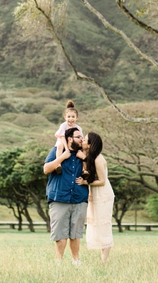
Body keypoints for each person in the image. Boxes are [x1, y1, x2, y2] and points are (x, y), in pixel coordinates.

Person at [44, 127, 89, 265]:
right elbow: (46, 169)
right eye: (78, 137)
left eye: (81, 137)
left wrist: (85, 158)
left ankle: (76, 261)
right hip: (59, 198)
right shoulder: (57, 151)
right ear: (69, 139)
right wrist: (63, 157)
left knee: (76, 233)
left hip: (79, 198)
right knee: (60, 234)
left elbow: (94, 175)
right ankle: (59, 262)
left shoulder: (84, 155)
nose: (81, 139)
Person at [75, 132, 114, 263]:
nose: (82, 141)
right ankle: (102, 257)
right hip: (95, 193)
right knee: (96, 222)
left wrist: (85, 183)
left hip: (103, 194)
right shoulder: (90, 157)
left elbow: (102, 181)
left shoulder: (98, 159)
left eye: (85, 140)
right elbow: (88, 173)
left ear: (91, 144)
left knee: (103, 224)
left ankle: (105, 260)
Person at [53, 100, 85, 176]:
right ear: (65, 117)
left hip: (73, 144)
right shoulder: (63, 125)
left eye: (73, 117)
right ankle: (58, 164)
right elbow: (62, 136)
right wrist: (67, 148)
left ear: (77, 118)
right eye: (69, 117)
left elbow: (81, 138)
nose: (71, 119)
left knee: (83, 151)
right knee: (60, 146)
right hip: (63, 142)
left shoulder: (78, 128)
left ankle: (84, 169)